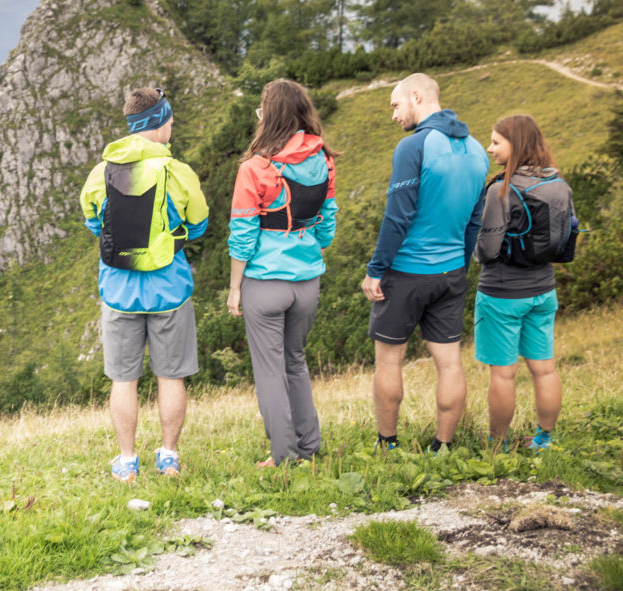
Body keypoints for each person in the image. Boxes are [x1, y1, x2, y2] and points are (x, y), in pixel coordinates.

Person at [80, 87, 209, 481]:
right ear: (157, 124)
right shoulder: (177, 172)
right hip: (169, 289)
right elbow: (200, 224)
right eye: (169, 120)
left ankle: (126, 461)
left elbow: (92, 222)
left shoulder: (101, 173)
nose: (172, 125)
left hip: (119, 291)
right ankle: (168, 456)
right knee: (171, 376)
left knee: (124, 379)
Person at [361, 73, 489, 453]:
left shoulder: (413, 146)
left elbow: (397, 217)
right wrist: (459, 270)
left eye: (395, 105)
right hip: (450, 274)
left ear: (417, 96)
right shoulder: (479, 149)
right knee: (449, 363)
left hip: (405, 273)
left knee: (388, 363)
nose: (393, 115)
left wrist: (375, 270)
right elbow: (474, 222)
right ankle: (443, 446)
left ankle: (388, 445)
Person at [227, 79, 338, 467]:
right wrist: (308, 246)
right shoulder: (323, 159)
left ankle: (284, 456)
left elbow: (243, 232)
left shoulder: (256, 167)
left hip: (265, 280)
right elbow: (328, 221)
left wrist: (235, 288)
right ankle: (310, 446)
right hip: (307, 279)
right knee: (295, 361)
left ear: (268, 115)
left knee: (270, 371)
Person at [474, 115, 574, 451]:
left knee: (503, 374)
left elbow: (488, 248)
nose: (490, 148)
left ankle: (497, 444)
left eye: (496, 142)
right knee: (544, 369)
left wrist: (476, 254)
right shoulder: (557, 182)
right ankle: (543, 439)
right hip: (544, 289)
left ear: (516, 145)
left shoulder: (502, 189)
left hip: (502, 293)